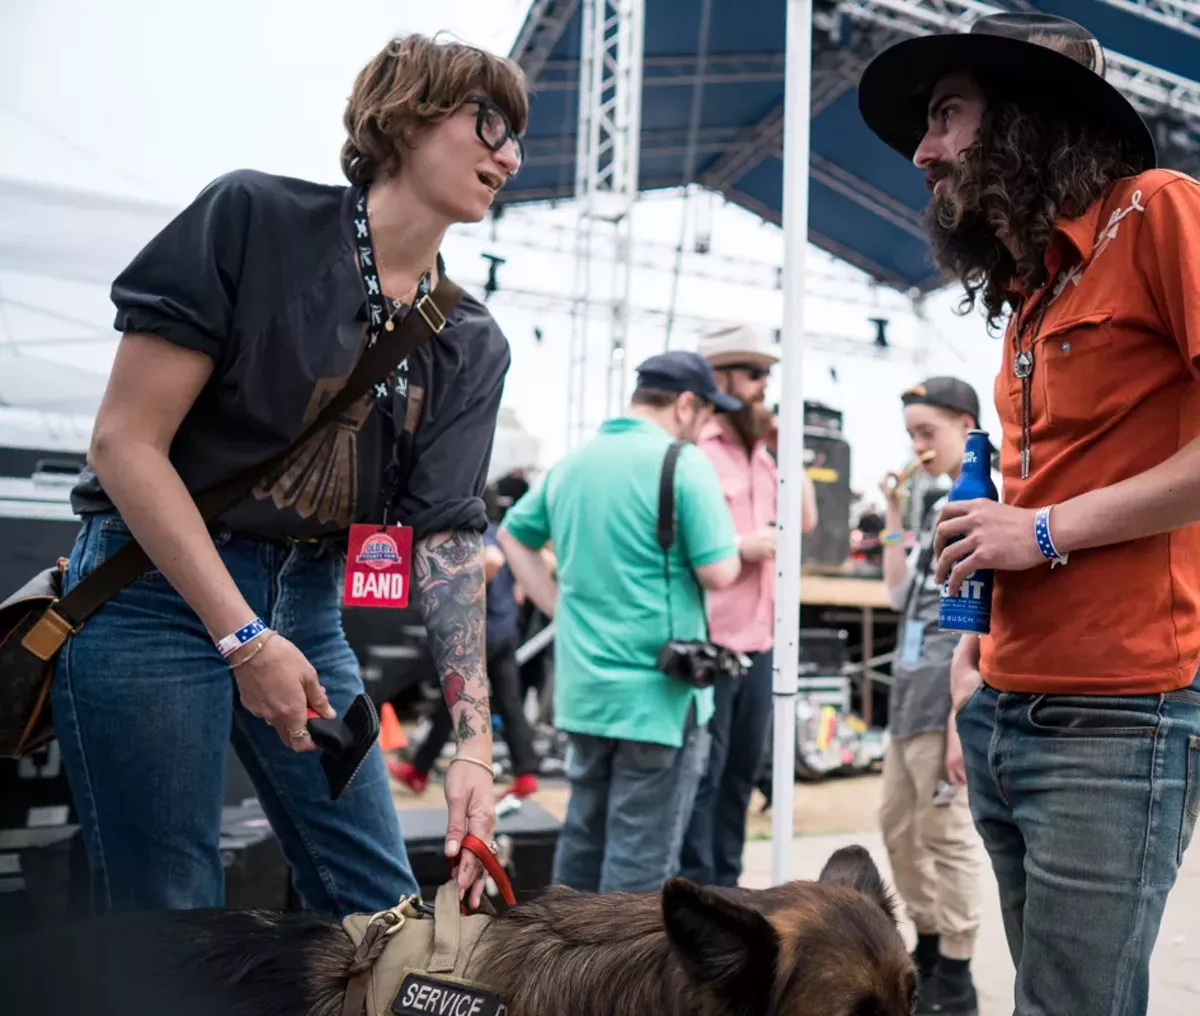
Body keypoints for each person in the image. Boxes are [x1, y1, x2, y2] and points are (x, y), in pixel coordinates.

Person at [857, 13, 1200, 1013]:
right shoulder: (1030, 295)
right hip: (1002, 704)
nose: (923, 149)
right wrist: (974, 653)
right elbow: (1042, 491)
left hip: (1113, 722)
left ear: (1024, 118)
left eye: (946, 114)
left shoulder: (1162, 212)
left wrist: (1041, 531)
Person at [52, 34, 527, 914]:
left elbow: (450, 539)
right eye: (490, 123)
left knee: (380, 904)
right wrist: (242, 637)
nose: (511, 156)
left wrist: (472, 747)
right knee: (173, 913)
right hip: (153, 590)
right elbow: (123, 444)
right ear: (408, 115)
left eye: (517, 137)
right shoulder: (255, 221)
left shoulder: (471, 339)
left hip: (307, 606)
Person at [499, 351, 741, 893]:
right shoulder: (683, 463)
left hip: (585, 693)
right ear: (686, 404)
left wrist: (557, 605)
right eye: (707, 414)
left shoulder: (573, 463)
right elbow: (719, 571)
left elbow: (514, 535)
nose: (706, 428)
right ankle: (617, 956)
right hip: (659, 699)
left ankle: (560, 951)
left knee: (580, 847)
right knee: (639, 869)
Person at [679, 325, 817, 888]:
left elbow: (805, 519)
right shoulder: (697, 449)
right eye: (754, 374)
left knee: (740, 775)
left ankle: (729, 887)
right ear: (721, 379)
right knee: (704, 778)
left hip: (761, 641)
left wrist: (789, 451)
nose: (764, 385)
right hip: (712, 638)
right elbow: (681, 540)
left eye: (767, 375)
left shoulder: (766, 452)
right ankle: (699, 886)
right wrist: (739, 546)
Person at [876, 378, 987, 1016]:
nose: (918, 445)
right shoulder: (938, 504)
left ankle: (957, 971)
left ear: (966, 426)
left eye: (928, 432)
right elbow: (899, 595)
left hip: (942, 702)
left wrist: (958, 722)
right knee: (899, 830)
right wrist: (893, 513)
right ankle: (928, 946)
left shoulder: (980, 499)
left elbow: (981, 623)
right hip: (907, 702)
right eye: (911, 434)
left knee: (946, 836)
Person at [388, 481, 541, 803]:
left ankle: (419, 770)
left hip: (481, 632)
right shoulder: (503, 532)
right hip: (504, 630)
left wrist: (462, 585)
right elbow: (540, 563)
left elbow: (494, 561)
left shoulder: (481, 535)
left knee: (454, 699)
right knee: (509, 704)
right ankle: (526, 773)